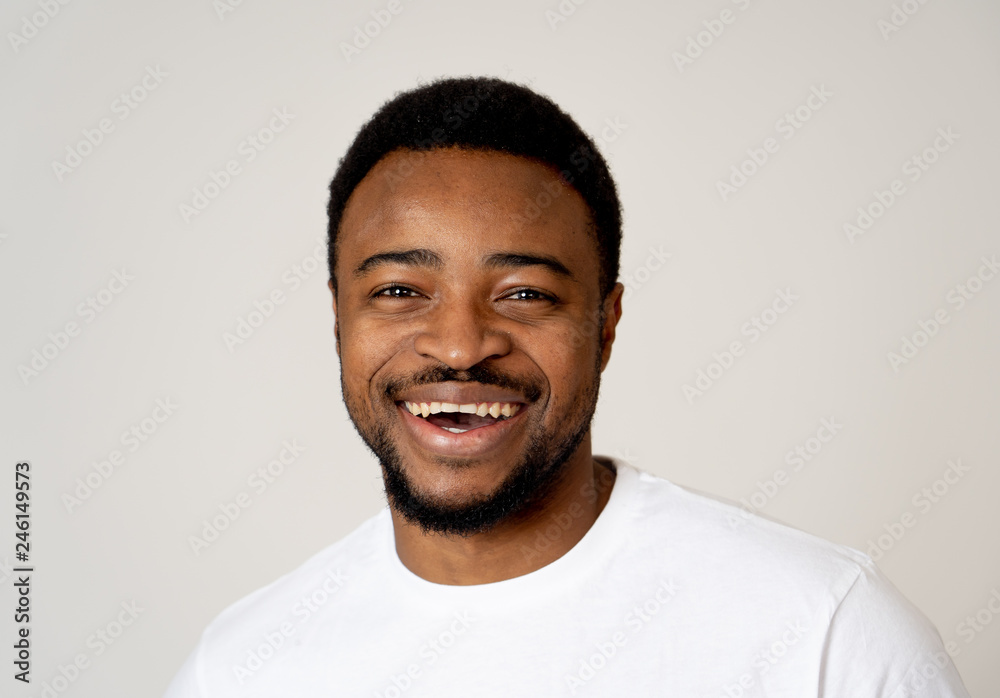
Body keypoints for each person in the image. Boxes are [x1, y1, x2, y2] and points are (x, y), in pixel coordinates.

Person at [164, 77, 970, 697]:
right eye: (400, 292)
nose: (460, 345)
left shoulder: (824, 633)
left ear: (606, 323)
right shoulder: (242, 667)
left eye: (524, 294)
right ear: (340, 319)